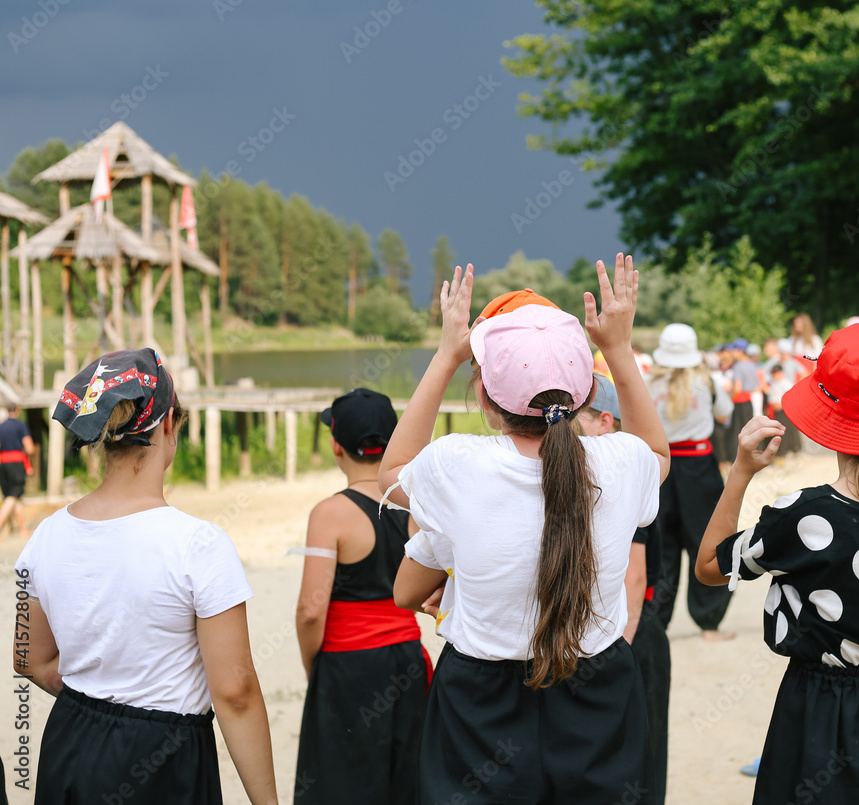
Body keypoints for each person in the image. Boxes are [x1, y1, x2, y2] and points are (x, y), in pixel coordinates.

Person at [380, 255, 670, 804]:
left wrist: (445, 355)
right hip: (598, 691)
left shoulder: (455, 463)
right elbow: (659, 451)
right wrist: (620, 348)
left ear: (486, 400)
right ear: (586, 395)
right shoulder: (622, 462)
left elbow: (391, 475)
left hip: (480, 700)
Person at [695, 324, 859, 804]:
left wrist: (740, 472)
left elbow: (711, 565)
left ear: (827, 415)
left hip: (821, 709)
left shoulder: (804, 515)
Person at [13, 349, 278, 804]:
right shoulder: (198, 544)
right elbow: (234, 693)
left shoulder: (44, 536)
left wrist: (97, 701)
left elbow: (27, 659)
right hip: (163, 756)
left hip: (70, 740)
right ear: (169, 424)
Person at [294, 388, 429, 804]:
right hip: (408, 659)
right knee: (404, 781)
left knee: (342, 783)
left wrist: (313, 665)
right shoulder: (415, 506)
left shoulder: (330, 513)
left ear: (336, 446)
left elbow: (311, 609)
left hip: (348, 665)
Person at [576, 374, 668, 803]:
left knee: (634, 760)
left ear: (604, 421)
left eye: (574, 419)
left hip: (627, 632)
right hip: (613, 633)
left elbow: (635, 573)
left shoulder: (620, 469)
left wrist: (621, 648)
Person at [646, 323, 735, 642]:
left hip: (660, 467)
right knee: (707, 543)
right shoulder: (707, 382)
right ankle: (709, 622)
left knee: (662, 546)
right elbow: (725, 414)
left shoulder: (648, 383)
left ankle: (656, 624)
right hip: (699, 465)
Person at [0, 404, 35, 539]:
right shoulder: (21, 425)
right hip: (16, 463)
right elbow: (30, 448)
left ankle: (23, 529)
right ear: (18, 410)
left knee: (15, 496)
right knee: (13, 496)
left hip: (3, 463)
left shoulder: (1, 426)